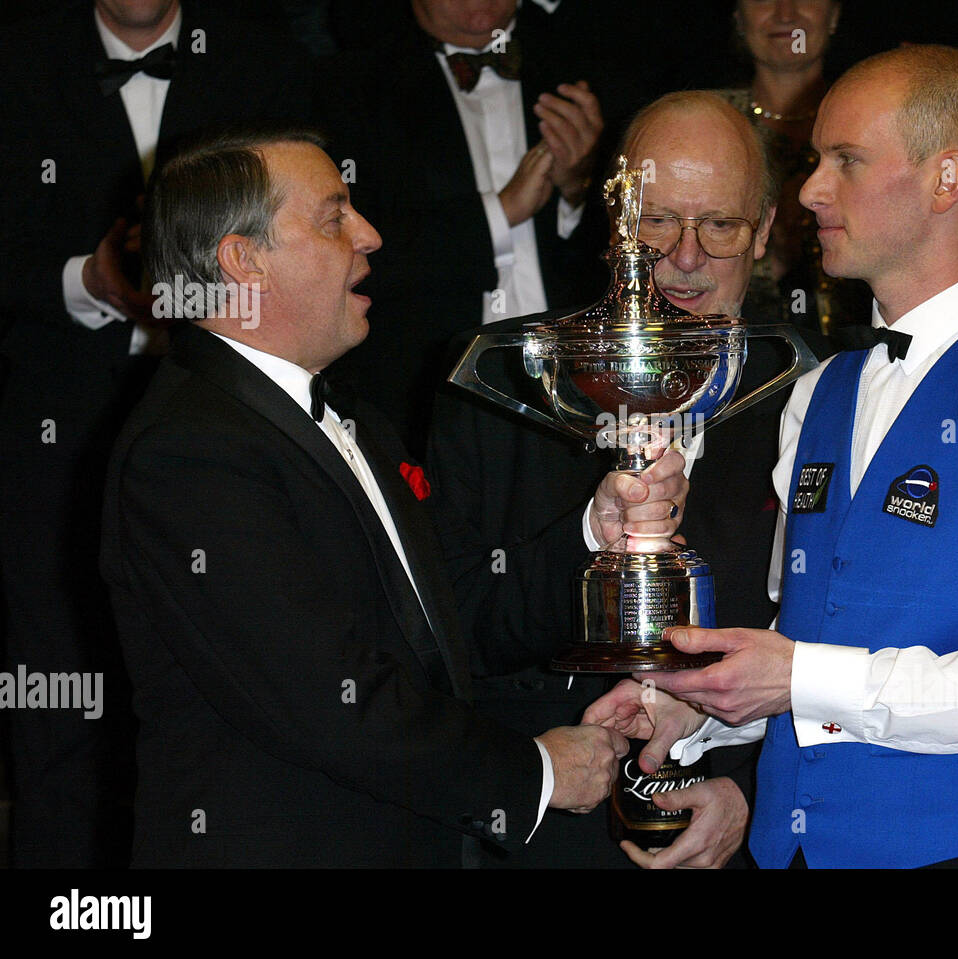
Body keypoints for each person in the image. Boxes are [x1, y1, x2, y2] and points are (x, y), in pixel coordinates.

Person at [585, 45, 958, 869]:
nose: (809, 190)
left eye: (844, 160)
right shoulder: (819, 392)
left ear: (947, 180)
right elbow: (807, 637)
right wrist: (701, 714)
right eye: (815, 161)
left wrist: (800, 677)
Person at [98, 124, 695, 867]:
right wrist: (534, 772)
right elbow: (325, 701)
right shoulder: (192, 451)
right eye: (333, 216)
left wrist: (590, 536)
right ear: (243, 261)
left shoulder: (353, 424)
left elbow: (449, 627)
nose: (371, 236)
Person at [434, 90, 830, 869]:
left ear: (765, 234)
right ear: (613, 222)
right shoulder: (506, 383)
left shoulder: (824, 396)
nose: (684, 257)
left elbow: (857, 651)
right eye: (656, 221)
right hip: (544, 842)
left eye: (719, 224)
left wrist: (753, 793)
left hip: (748, 839)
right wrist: (587, 536)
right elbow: (457, 637)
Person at [0, 0, 310, 868]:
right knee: (60, 725)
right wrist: (89, 279)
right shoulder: (18, 57)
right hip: (54, 455)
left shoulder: (267, 56)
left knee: (224, 715)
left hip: (235, 444)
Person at [311, 0, 642, 453]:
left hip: (582, 384)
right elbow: (346, 252)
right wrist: (499, 213)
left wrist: (580, 186)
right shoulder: (347, 87)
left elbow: (642, 247)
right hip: (421, 393)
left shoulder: (586, 66)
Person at [710, 0, 872, 344]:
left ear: (835, 14)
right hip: (732, 351)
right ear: (738, 16)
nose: (786, 13)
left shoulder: (876, 121)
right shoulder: (701, 125)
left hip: (858, 351)